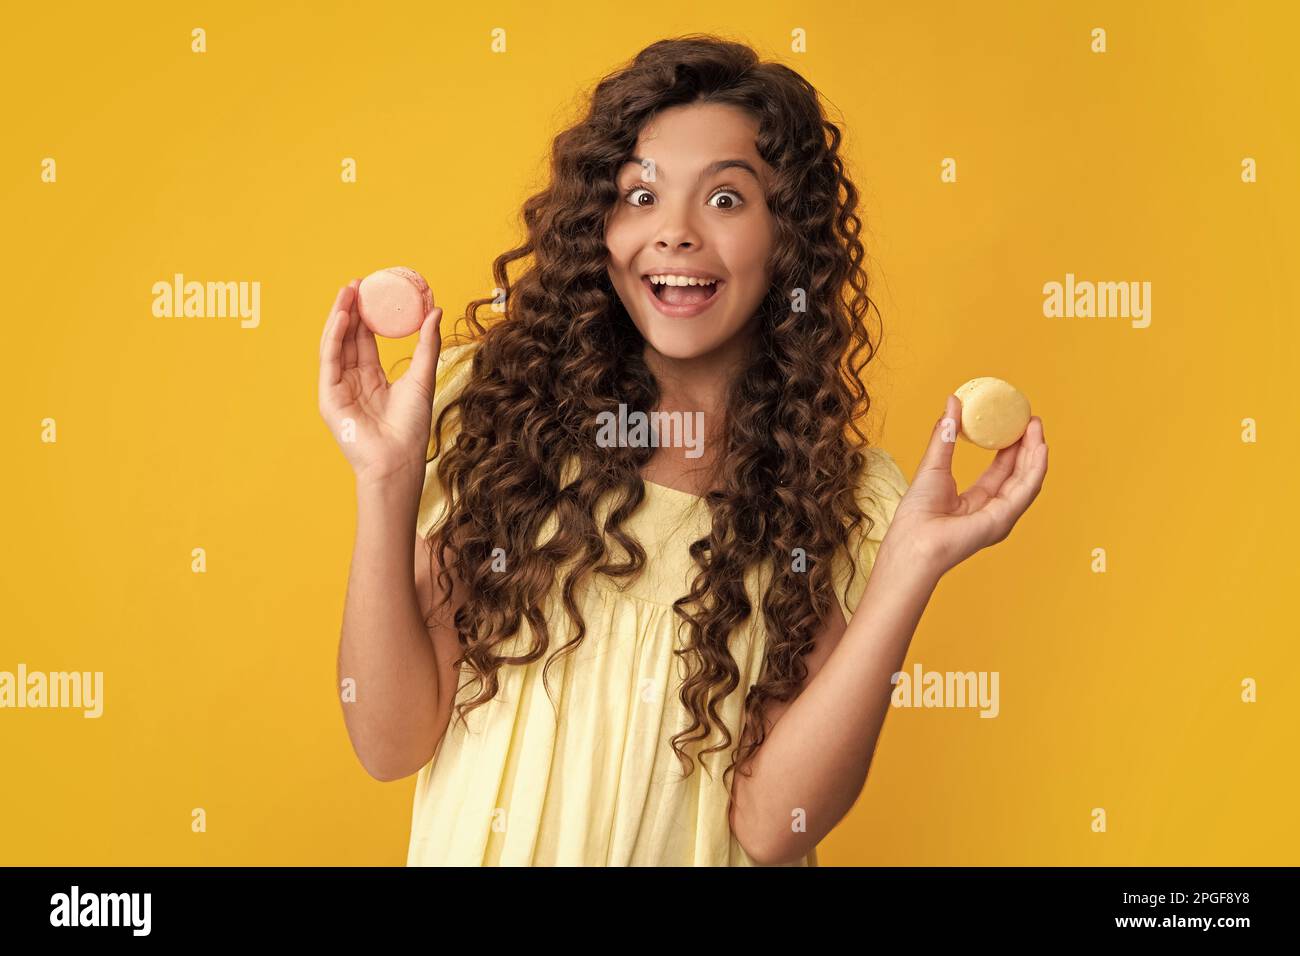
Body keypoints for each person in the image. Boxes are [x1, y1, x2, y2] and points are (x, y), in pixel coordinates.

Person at [317, 36, 1048, 866]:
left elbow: (777, 825)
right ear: (599, 224)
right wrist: (384, 482)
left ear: (788, 240)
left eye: (727, 200)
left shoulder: (828, 495)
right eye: (640, 195)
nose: (675, 233)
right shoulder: (498, 424)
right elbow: (389, 741)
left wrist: (910, 567)